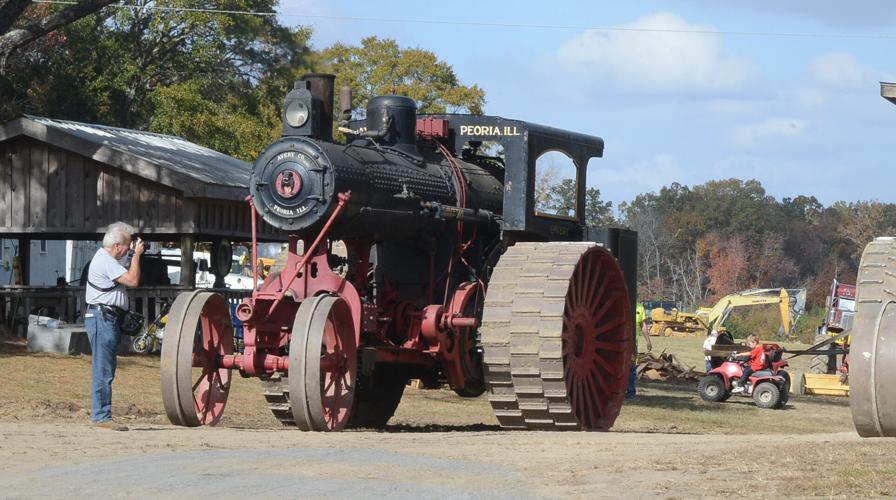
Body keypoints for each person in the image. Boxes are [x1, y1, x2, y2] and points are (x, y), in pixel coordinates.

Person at [84, 222, 144, 431]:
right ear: (117, 245)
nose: (128, 249)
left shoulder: (106, 259)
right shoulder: (106, 261)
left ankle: (102, 414)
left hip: (105, 317)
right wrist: (137, 255)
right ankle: (101, 416)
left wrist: (132, 254)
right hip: (103, 318)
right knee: (103, 368)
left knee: (105, 367)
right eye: (127, 246)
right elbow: (133, 280)